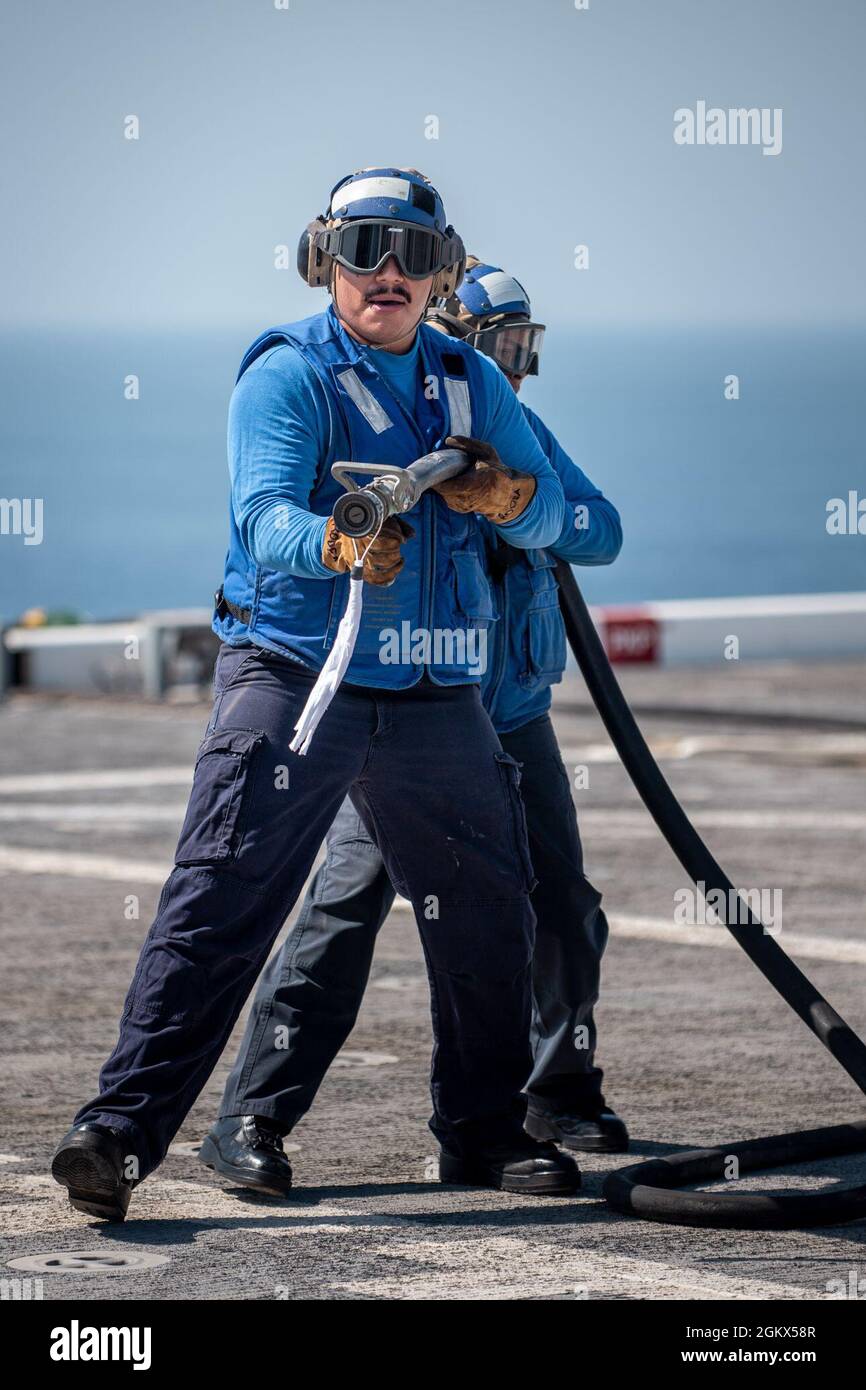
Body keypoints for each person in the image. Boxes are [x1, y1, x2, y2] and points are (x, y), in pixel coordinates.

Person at [50, 168, 583, 1221]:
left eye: (413, 254)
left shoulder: (474, 386)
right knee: (220, 903)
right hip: (297, 678)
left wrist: (509, 498)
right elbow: (260, 518)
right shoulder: (285, 374)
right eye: (365, 249)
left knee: (486, 914)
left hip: (436, 695)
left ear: (440, 272)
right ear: (322, 260)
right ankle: (115, 1135)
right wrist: (335, 540)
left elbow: (562, 513)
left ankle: (479, 1132)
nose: (387, 273)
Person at [199, 258, 627, 1200]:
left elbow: (598, 528)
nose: (512, 370)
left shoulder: (511, 436)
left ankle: (551, 1092)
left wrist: (516, 499)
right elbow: (285, 524)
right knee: (339, 920)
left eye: (525, 348)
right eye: (499, 347)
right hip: (415, 715)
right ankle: (252, 1122)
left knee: (559, 911)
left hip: (510, 717)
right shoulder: (390, 420)